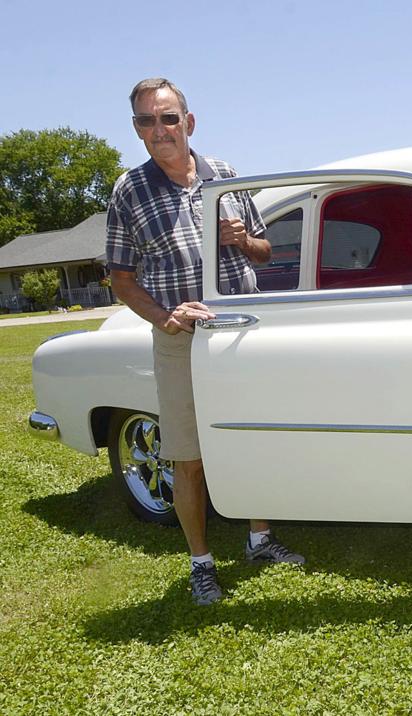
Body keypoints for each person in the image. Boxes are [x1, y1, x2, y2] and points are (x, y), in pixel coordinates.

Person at [106, 78, 305, 606]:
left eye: (168, 118)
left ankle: (260, 539)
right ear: (137, 130)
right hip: (182, 340)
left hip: (241, 334)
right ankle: (201, 564)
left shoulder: (226, 176)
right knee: (187, 456)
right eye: (147, 122)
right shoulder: (130, 191)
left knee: (249, 438)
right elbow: (121, 278)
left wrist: (243, 239)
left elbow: (265, 253)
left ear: (188, 123)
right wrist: (164, 317)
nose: (159, 130)